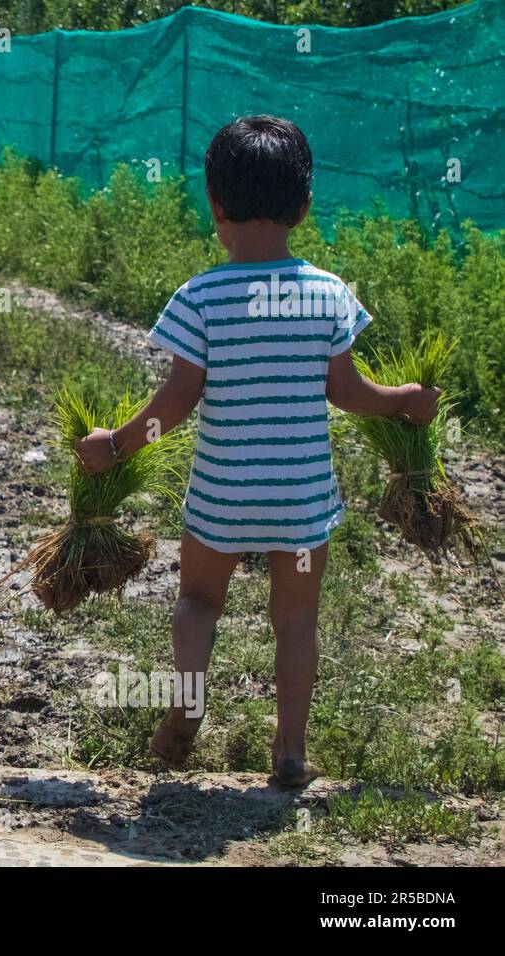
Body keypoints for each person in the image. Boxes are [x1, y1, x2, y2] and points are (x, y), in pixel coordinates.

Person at [74, 116, 440, 786]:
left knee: (198, 603)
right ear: (304, 207)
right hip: (300, 502)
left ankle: (186, 708)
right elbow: (348, 392)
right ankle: (290, 751)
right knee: (297, 621)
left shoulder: (202, 297)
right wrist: (403, 400)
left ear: (214, 205)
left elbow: (177, 404)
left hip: (222, 496)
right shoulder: (328, 294)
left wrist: (118, 445)